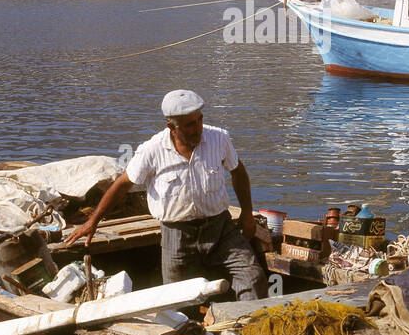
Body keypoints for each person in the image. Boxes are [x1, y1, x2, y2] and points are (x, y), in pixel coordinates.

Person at [63, 90, 265, 302]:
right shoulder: (152, 150)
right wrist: (93, 221)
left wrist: (247, 213)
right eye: (189, 125)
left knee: (253, 276)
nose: (198, 129)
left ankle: (246, 329)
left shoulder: (219, 138)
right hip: (177, 234)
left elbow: (238, 172)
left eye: (200, 120)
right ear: (172, 127)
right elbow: (122, 185)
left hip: (221, 228)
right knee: (177, 299)